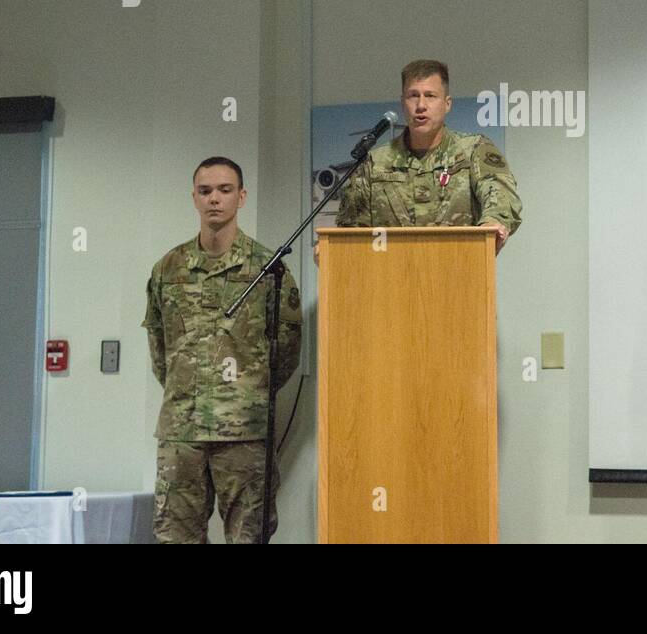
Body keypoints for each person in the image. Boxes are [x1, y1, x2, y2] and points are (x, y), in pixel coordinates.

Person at [142, 156, 302, 543]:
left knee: (248, 536)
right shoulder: (168, 269)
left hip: (243, 432)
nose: (215, 199)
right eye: (206, 191)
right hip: (183, 429)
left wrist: (245, 393)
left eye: (225, 190)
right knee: (174, 536)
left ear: (241, 197)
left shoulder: (268, 269)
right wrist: (188, 389)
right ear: (194, 198)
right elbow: (160, 349)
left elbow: (286, 352)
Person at [318, 59, 521, 258]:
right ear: (402, 103)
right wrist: (333, 253)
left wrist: (493, 221)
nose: (421, 105)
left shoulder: (473, 150)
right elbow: (352, 231)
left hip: (459, 275)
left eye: (430, 96)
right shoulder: (374, 162)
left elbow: (499, 192)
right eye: (413, 96)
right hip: (388, 280)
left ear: (447, 103)